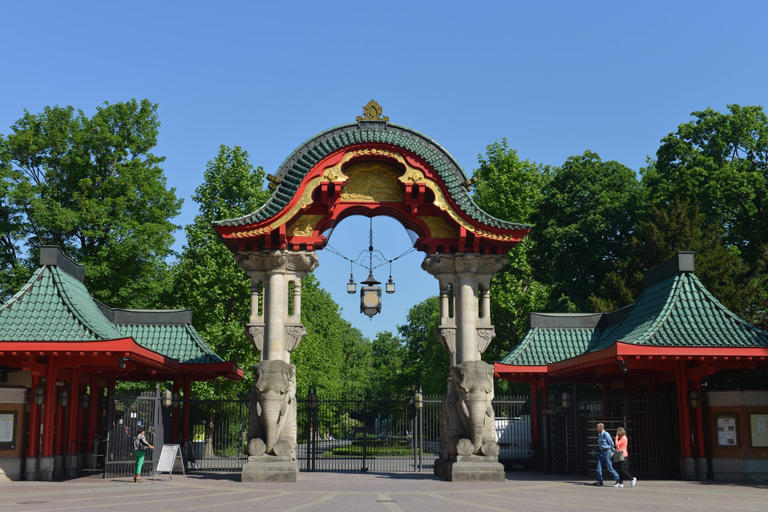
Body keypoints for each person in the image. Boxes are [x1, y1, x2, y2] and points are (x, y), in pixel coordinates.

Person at [592, 422, 620, 487]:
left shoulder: (606, 434)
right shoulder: (599, 434)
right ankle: (600, 481)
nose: (596, 429)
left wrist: (612, 451)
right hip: (601, 452)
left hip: (607, 451)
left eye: (597, 427)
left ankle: (618, 479)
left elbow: (611, 443)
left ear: (601, 428)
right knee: (598, 467)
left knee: (609, 467)